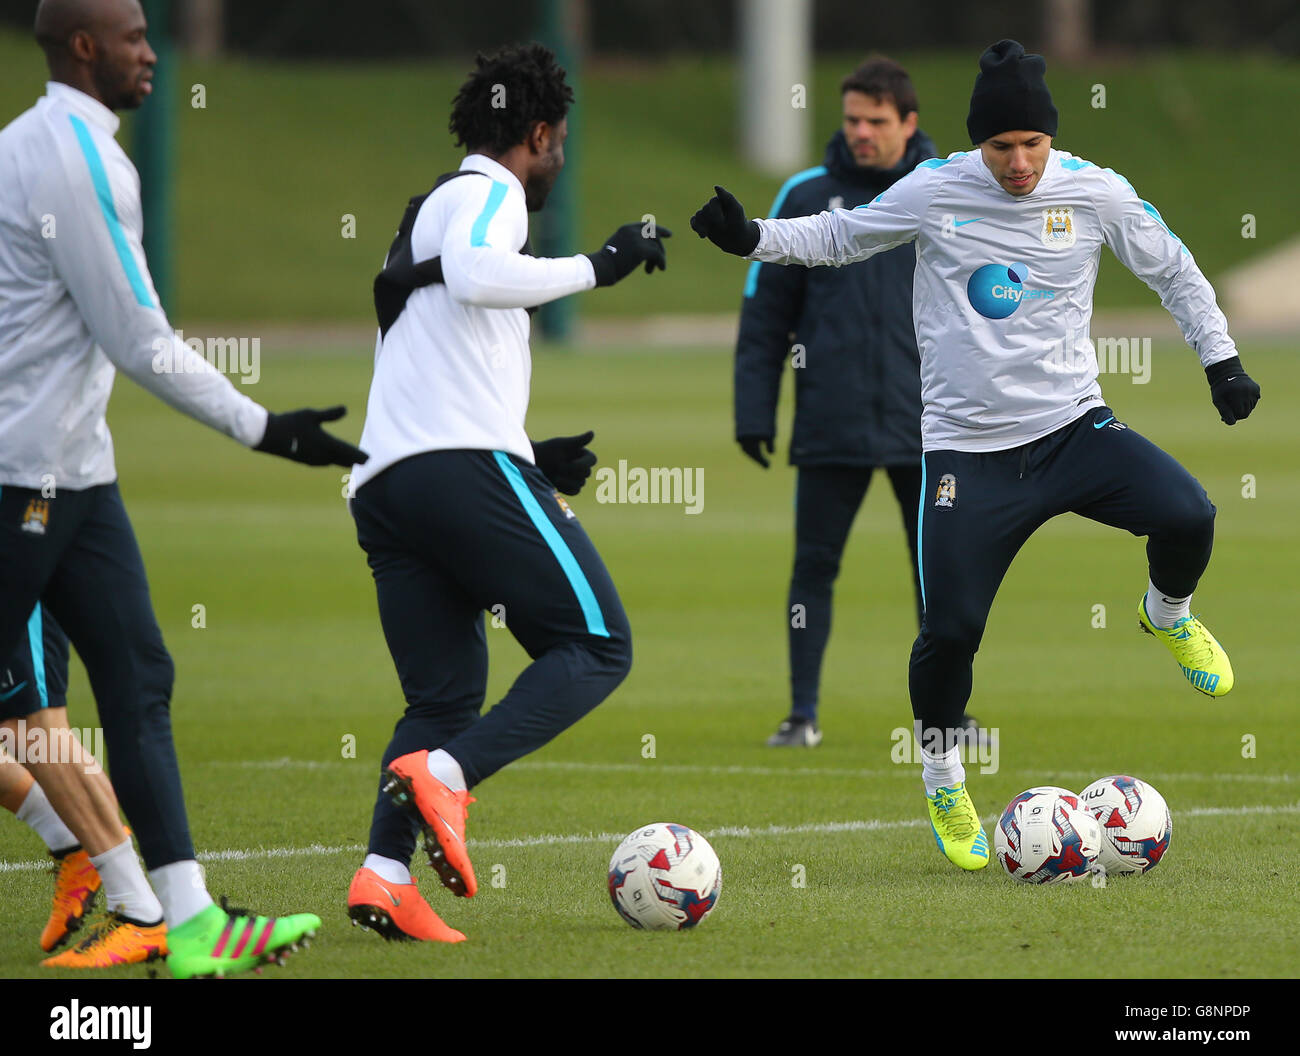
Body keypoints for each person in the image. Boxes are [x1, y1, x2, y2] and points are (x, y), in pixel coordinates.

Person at [690, 39, 1259, 871]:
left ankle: (1166, 615)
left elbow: (1174, 269)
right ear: (976, 144)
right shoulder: (934, 189)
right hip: (966, 454)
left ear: (1051, 140)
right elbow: (840, 236)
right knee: (950, 629)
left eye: (1033, 144)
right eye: (1002, 147)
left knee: (1191, 513)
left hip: (1073, 430)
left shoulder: (1094, 191)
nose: (1019, 163)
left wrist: (1221, 359)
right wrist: (750, 237)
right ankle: (945, 774)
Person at [0, 0, 366, 975]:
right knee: (29, 709)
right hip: (18, 473)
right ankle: (105, 874)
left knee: (138, 678)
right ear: (85, 47)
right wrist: (265, 428)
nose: (151, 54)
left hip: (75, 470)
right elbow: (139, 338)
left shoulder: (41, 148)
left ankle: (185, 919)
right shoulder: (74, 161)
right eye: (133, 37)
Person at [346, 42, 667, 942]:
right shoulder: (487, 192)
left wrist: (531, 451)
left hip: (388, 485)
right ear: (536, 135)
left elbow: (440, 341)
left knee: (442, 697)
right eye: (557, 144)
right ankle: (449, 776)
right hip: (455, 466)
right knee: (597, 643)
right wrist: (603, 263)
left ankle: (382, 873)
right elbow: (482, 278)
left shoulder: (429, 210)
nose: (557, 162)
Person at [734, 56, 934, 748]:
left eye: (876, 121)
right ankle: (801, 714)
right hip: (832, 414)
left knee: (940, 570)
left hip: (932, 421)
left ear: (908, 123)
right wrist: (753, 409)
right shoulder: (806, 194)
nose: (861, 132)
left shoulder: (944, 191)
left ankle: (947, 716)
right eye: (852, 119)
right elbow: (765, 314)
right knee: (813, 566)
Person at [0, 604, 151, 965]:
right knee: (23, 730)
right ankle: (69, 841)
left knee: (33, 728)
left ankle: (137, 909)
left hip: (19, 570)